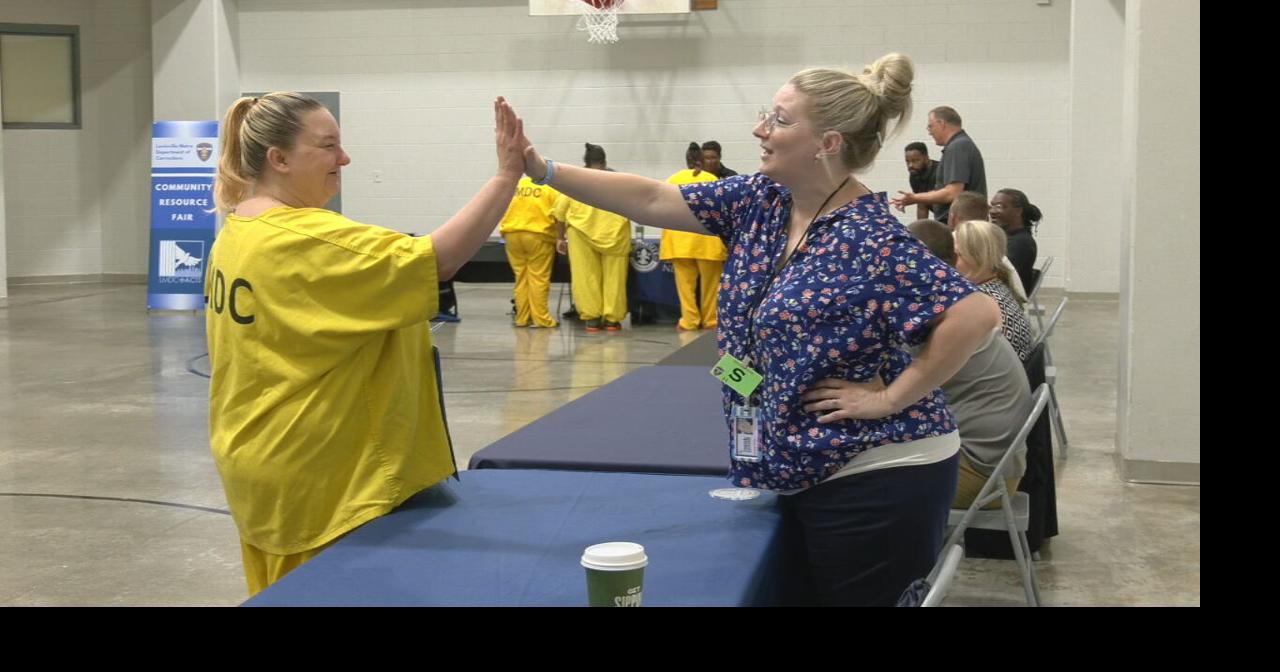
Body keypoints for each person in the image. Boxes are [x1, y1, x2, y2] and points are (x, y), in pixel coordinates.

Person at [518, 54, 1000, 606]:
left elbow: (975, 315)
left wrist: (891, 398)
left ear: (828, 143)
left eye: (779, 120)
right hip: (802, 464)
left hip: (874, 472)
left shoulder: (869, 238)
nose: (759, 129)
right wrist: (543, 170)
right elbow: (652, 198)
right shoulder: (761, 200)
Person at [207, 92, 527, 595]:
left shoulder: (238, 229)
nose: (345, 158)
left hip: (259, 459)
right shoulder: (305, 239)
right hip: (325, 478)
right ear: (279, 159)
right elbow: (437, 261)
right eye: (328, 146)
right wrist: (506, 176)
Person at [908, 219, 1033, 509]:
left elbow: (906, 387)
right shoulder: (975, 299)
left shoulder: (960, 312)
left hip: (981, 473)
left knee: (857, 481)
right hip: (993, 461)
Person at [551, 143, 632, 332]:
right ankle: (612, 320)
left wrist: (560, 238)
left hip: (581, 235)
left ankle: (592, 319)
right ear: (604, 162)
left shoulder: (574, 181)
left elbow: (559, 213)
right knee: (615, 279)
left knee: (586, 277)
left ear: (585, 163)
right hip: (615, 235)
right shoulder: (620, 181)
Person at [662, 142, 725, 331]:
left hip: (679, 241)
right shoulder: (712, 180)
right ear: (701, 160)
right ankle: (711, 320)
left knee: (685, 286)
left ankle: (689, 321)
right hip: (708, 241)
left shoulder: (672, 180)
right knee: (711, 286)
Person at [953, 219, 1034, 361]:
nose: (949, 262)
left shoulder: (979, 303)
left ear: (977, 258)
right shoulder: (998, 286)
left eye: (957, 255)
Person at [890, 105, 986, 223]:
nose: (929, 132)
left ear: (942, 124)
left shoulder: (958, 146)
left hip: (963, 223)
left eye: (930, 126)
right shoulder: (959, 145)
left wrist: (915, 198)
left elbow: (952, 193)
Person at [499, 174, 562, 328]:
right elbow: (559, 214)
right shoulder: (551, 187)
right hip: (537, 234)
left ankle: (522, 318)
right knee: (538, 278)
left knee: (521, 277)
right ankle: (541, 319)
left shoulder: (517, 185)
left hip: (512, 234)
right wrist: (560, 237)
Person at [947, 190, 1026, 303]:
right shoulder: (991, 247)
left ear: (952, 218)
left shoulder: (957, 240)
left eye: (958, 255)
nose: (954, 260)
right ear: (986, 219)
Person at [989, 188, 1041, 296]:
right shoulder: (1009, 238)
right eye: (992, 206)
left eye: (999, 206)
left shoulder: (1021, 243)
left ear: (1018, 211)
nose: (992, 211)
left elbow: (999, 277)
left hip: (1008, 299)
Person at [904, 141, 939, 221]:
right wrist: (920, 227)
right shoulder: (914, 175)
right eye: (907, 161)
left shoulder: (940, 172)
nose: (910, 165)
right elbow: (921, 206)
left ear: (926, 158)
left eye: (915, 161)